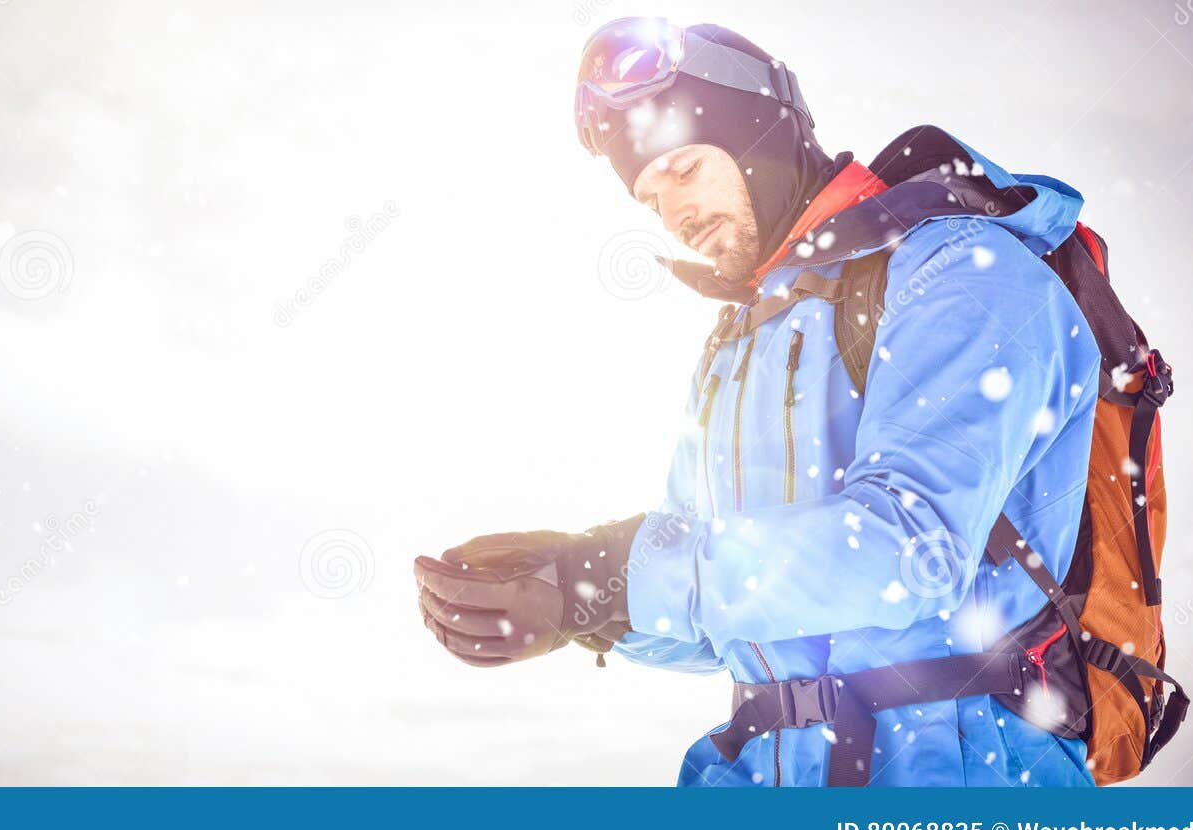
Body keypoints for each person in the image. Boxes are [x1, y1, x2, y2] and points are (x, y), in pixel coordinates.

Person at [414, 17, 1110, 787]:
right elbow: (725, 619)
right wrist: (577, 591)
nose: (674, 213)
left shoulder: (962, 274)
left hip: (953, 780)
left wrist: (613, 569)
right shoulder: (739, 344)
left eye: (683, 168)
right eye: (650, 199)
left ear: (762, 136)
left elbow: (908, 548)